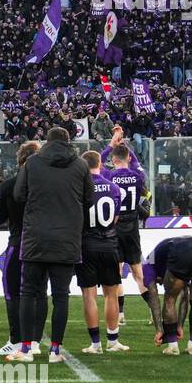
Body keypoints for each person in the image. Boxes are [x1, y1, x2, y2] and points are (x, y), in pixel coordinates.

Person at [9, 127, 92, 364]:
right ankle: (55, 349)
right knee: (61, 296)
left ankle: (25, 349)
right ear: (68, 141)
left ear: (47, 141)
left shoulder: (32, 163)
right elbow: (89, 198)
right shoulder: (80, 165)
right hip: (67, 238)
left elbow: (18, 194)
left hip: (36, 236)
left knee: (28, 292)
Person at [77, 150, 129, 355]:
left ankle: (95, 344)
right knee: (111, 295)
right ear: (100, 163)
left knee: (89, 295)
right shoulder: (113, 187)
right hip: (108, 244)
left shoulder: (79, 187)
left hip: (86, 245)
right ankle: (113, 341)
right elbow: (115, 219)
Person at [0, 141, 39, 357]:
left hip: (18, 241)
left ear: (20, 157)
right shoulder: (44, 183)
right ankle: (35, 341)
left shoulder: (9, 184)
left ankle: (16, 339)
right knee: (39, 293)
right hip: (41, 243)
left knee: (12, 292)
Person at [106, 144, 154, 328]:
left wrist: (114, 142)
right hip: (132, 228)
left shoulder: (109, 176)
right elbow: (138, 165)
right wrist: (125, 145)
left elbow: (97, 163)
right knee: (138, 274)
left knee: (116, 273)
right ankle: (153, 309)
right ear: (129, 158)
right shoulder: (138, 176)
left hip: (115, 228)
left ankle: (120, 314)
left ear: (114, 160)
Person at [143, 237, 192, 356]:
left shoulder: (147, 266)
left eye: (159, 282)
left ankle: (173, 347)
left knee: (169, 298)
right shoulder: (164, 260)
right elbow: (184, 294)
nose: (160, 283)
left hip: (183, 252)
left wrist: (159, 330)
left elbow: (154, 300)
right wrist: (179, 325)